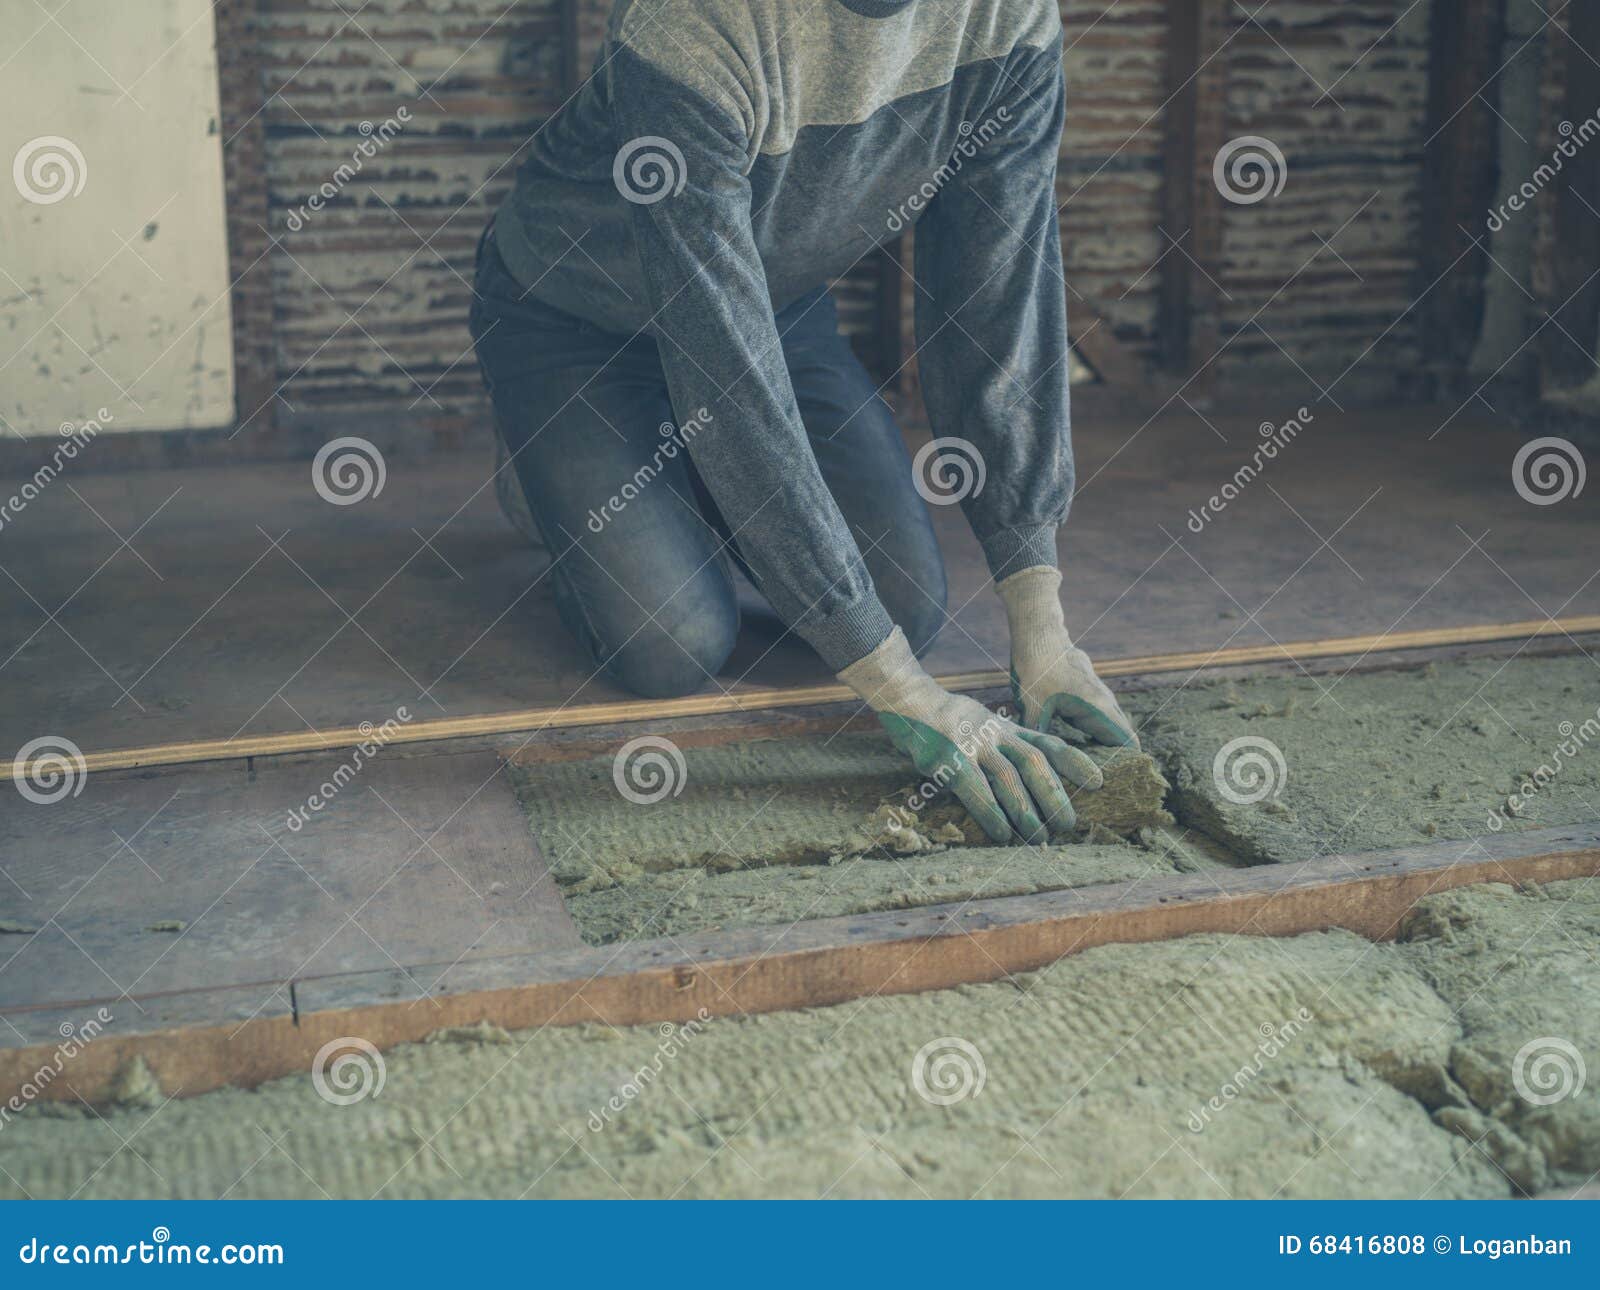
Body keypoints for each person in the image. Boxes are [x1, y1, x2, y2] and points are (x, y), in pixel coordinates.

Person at [471, 0, 1136, 844]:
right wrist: (903, 695)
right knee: (671, 645)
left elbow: (997, 299)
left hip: (769, 304)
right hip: (574, 320)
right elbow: (725, 371)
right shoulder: (692, 23)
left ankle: (690, 479)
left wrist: (1041, 627)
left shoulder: (1007, 16)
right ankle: (553, 479)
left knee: (904, 609)